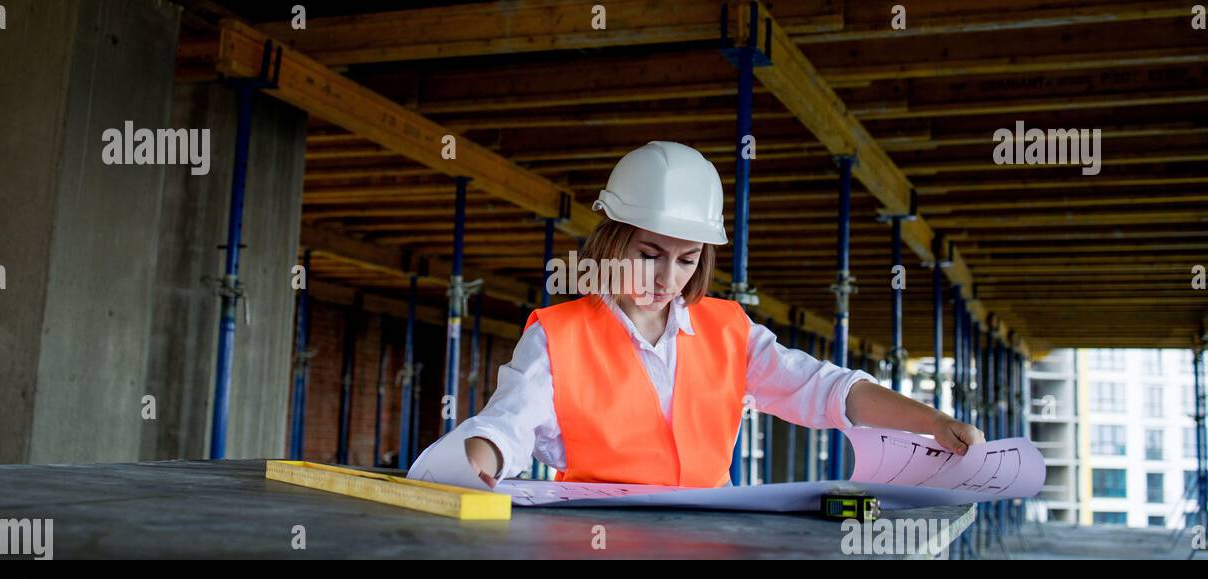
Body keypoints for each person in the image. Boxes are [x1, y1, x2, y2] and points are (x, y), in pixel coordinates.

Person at [409, 141, 984, 489]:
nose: (667, 279)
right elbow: (502, 428)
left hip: (709, 539)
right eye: (649, 254)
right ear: (610, 241)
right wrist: (473, 468)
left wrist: (929, 421)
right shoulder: (558, 337)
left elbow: (827, 391)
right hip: (592, 541)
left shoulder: (731, 333)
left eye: (687, 260)